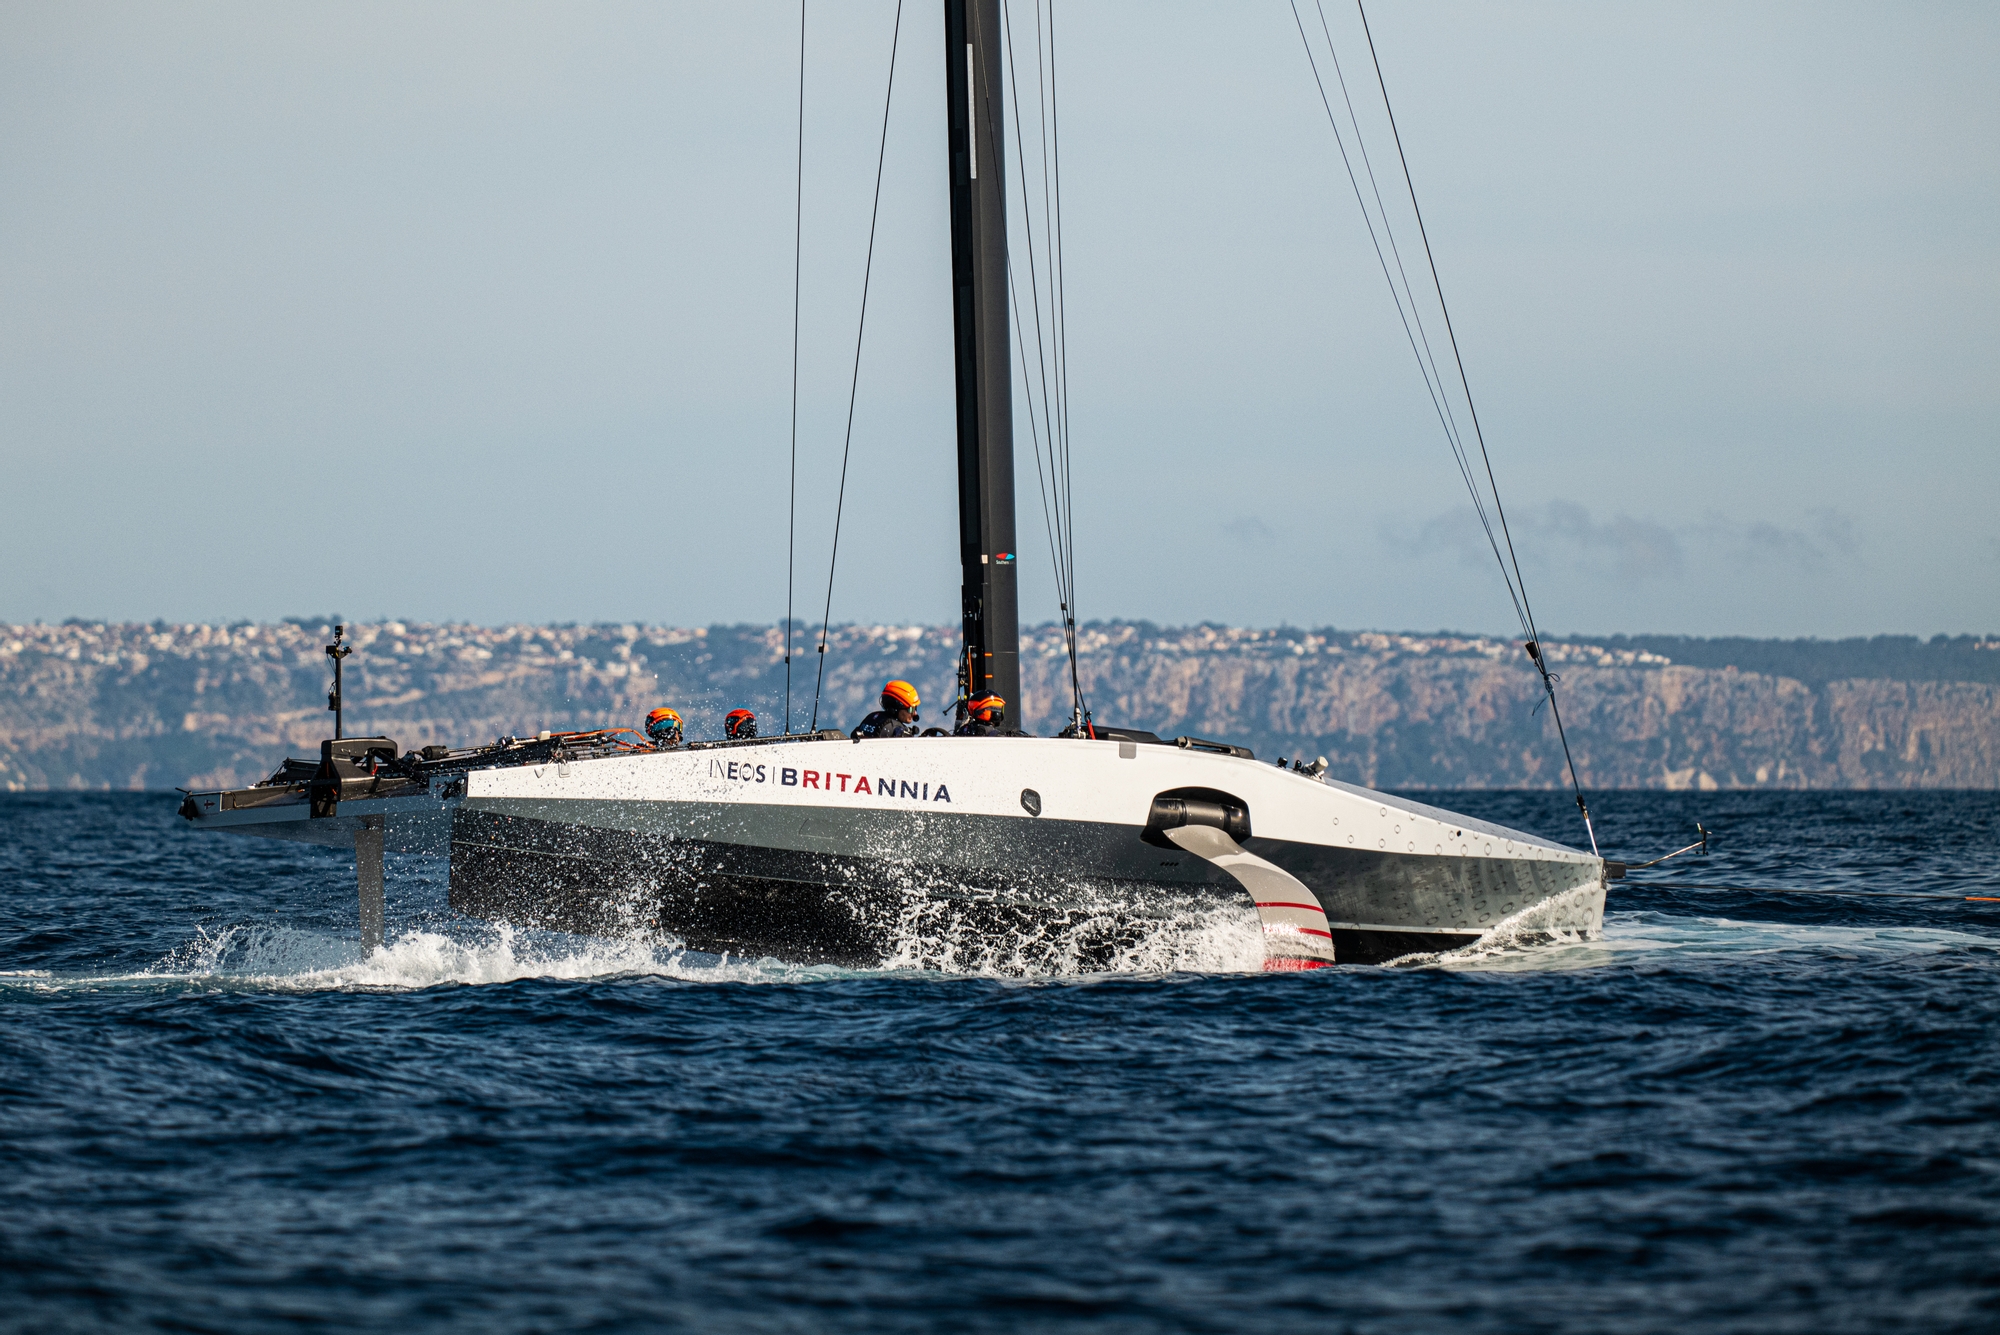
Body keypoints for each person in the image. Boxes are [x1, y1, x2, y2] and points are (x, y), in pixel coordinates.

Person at [852, 679, 922, 740]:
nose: (915, 713)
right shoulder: (894, 728)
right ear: (896, 707)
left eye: (915, 708)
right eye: (911, 709)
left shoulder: (872, 717)